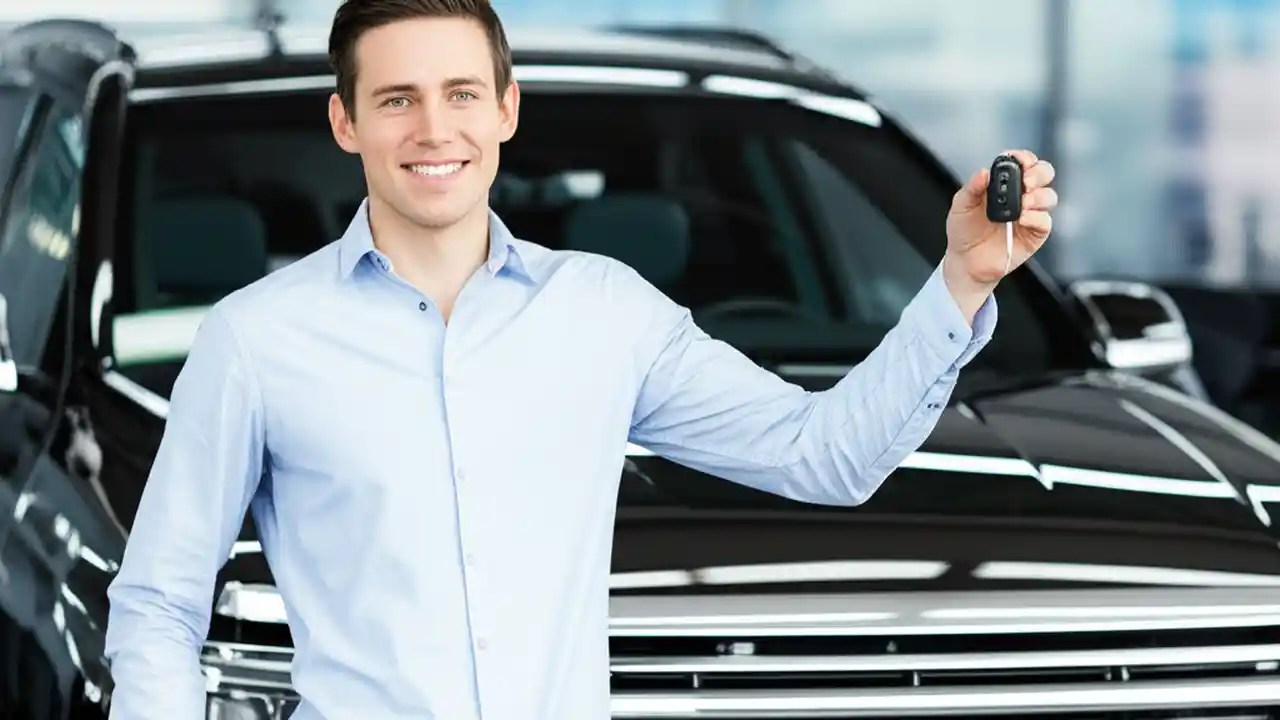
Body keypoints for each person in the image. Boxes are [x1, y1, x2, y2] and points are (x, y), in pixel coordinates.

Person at [102, 0, 1057, 718]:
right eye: (397, 99)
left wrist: (961, 283)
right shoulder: (257, 339)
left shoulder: (602, 313)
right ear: (346, 123)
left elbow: (826, 455)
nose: (435, 130)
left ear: (507, 110)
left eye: (462, 94)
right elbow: (158, 605)